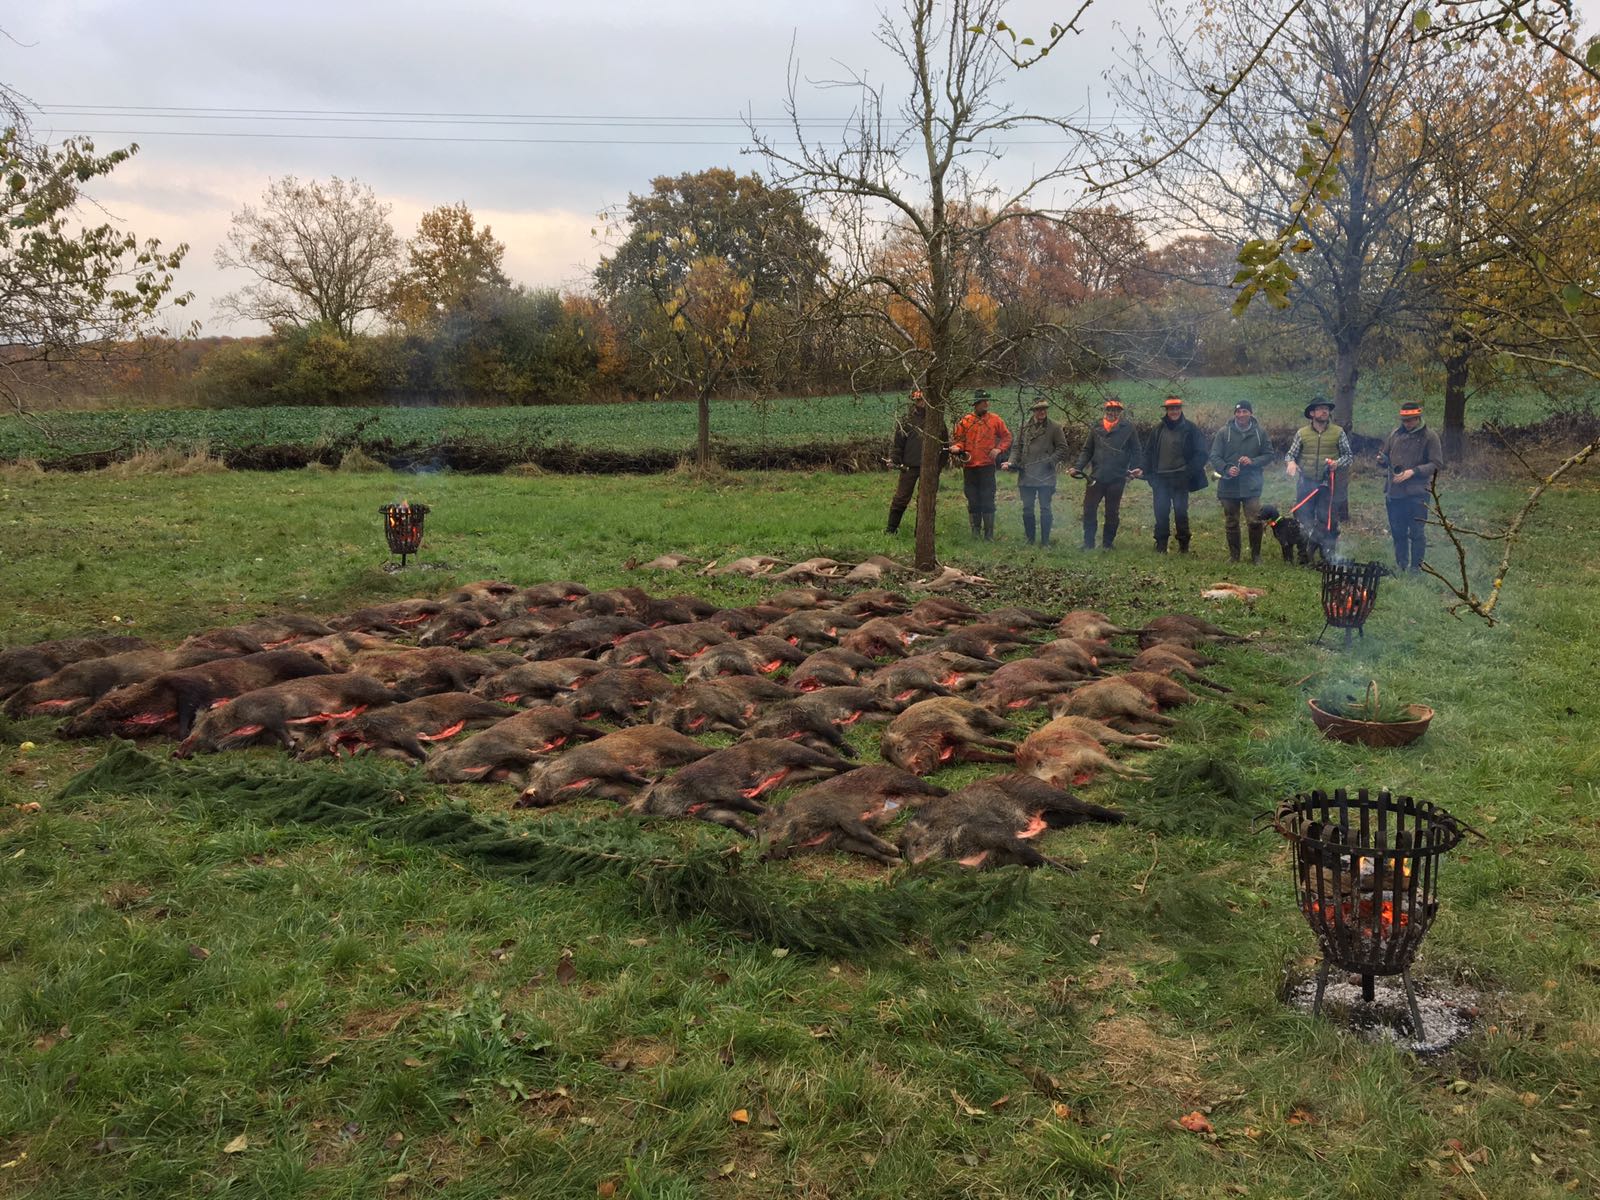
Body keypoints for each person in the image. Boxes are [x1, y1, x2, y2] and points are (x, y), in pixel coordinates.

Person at [1375, 400, 1444, 572]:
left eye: (1411, 420)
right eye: (1405, 420)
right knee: (1398, 532)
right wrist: (1381, 460)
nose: (1407, 423)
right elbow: (1385, 457)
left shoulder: (1430, 436)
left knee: (1417, 532)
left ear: (1418, 417)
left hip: (1417, 493)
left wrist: (1413, 472)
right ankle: (1401, 565)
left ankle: (1416, 568)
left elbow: (1436, 463)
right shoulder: (1395, 435)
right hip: (1394, 492)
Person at [1068, 397, 1143, 551]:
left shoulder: (1128, 428)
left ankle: (1108, 544)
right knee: (1089, 509)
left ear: (1120, 412)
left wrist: (1136, 468)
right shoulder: (1096, 427)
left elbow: (1136, 450)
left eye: (1115, 410)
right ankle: (1088, 543)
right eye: (1109, 409)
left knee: (1112, 512)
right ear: (1105, 410)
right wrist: (1078, 467)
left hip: (1117, 477)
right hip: (1096, 477)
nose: (1112, 412)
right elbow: (1087, 450)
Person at [1284, 396, 1353, 559]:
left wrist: (1337, 463)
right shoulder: (1302, 433)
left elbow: (1349, 456)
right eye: (1321, 409)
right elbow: (1290, 455)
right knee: (1303, 518)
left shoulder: (1338, 432)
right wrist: (1291, 463)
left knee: (1327, 519)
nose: (1325, 411)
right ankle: (1304, 554)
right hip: (1306, 483)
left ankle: (1328, 555)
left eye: (1327, 409)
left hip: (1328, 485)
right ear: (1312, 413)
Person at [1207, 399, 1273, 563]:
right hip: (1228, 485)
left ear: (1250, 413)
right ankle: (1234, 556)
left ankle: (1256, 556)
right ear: (1235, 414)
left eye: (1245, 411)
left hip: (1252, 485)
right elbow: (1214, 456)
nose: (1241, 415)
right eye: (1238, 412)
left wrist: (1253, 461)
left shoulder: (1260, 433)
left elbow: (1269, 455)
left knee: (1255, 521)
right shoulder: (1224, 432)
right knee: (1231, 521)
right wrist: (1226, 468)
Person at [1142, 395, 1208, 554]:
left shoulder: (1191, 429)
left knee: (1180, 513)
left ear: (1181, 409)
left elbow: (1202, 454)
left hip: (1180, 478)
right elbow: (1148, 453)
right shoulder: (1158, 430)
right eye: (1171, 409)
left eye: (1177, 408)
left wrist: (1188, 473)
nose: (1174, 411)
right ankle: (1161, 545)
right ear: (1167, 411)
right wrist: (1147, 473)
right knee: (1161, 512)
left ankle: (1183, 546)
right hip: (1161, 479)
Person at [1001, 396, 1069, 545]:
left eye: (1044, 409)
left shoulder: (1055, 427)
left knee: (1045, 508)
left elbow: (1062, 449)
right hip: (1026, 474)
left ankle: (1045, 542)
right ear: (1033, 411)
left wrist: (1049, 461)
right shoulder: (1024, 427)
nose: (1041, 412)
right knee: (1027, 509)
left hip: (1046, 475)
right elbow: (1016, 448)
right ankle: (1030, 540)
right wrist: (1011, 462)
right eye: (1038, 409)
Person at [949, 389, 1012, 540]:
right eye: (983, 402)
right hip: (970, 466)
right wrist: (957, 447)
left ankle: (989, 534)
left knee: (988, 497)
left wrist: (999, 449)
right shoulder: (965, 421)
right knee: (972, 497)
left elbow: (1007, 437)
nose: (986, 404)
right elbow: (959, 440)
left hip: (987, 466)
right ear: (976, 404)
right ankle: (975, 532)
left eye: (987, 401)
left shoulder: (995, 420)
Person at [885, 389, 948, 534]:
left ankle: (921, 532)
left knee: (925, 501)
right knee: (901, 498)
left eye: (923, 400)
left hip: (929, 468)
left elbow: (945, 446)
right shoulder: (906, 420)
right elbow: (898, 445)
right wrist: (893, 460)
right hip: (909, 467)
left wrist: (937, 468)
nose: (921, 403)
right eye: (918, 400)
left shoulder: (937, 421)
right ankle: (890, 530)